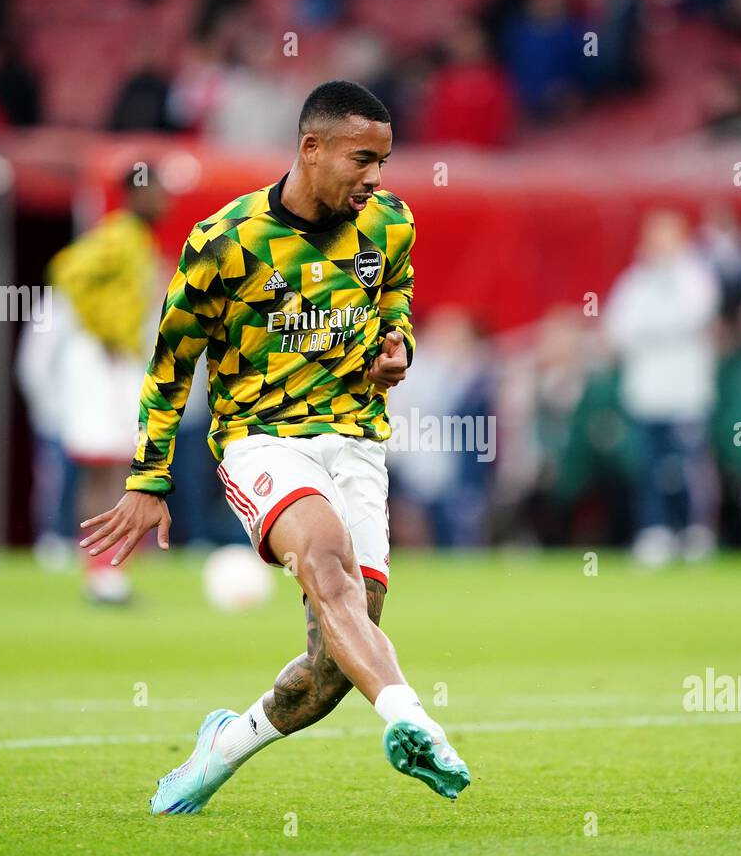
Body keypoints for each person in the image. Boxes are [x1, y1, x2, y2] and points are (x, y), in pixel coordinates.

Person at [79, 81, 470, 812]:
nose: (376, 178)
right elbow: (171, 362)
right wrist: (148, 477)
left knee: (333, 665)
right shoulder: (225, 242)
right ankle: (412, 718)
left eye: (383, 161)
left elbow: (398, 297)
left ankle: (224, 745)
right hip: (262, 441)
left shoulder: (389, 223)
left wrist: (399, 349)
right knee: (325, 563)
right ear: (310, 148)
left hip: (357, 441)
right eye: (363, 159)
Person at [46, 168, 168, 603]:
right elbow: (67, 270)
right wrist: (103, 328)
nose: (165, 201)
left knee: (117, 463)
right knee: (105, 464)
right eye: (158, 191)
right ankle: (101, 571)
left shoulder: (139, 241)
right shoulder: (119, 234)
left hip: (116, 358)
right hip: (101, 358)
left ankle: (107, 568)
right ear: (138, 193)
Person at [604, 210, 720, 566]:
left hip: (686, 392)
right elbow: (617, 329)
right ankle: (656, 530)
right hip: (647, 393)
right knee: (650, 466)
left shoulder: (695, 276)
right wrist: (654, 329)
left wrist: (648, 329)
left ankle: (695, 530)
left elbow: (692, 316)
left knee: (688, 463)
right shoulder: (635, 281)